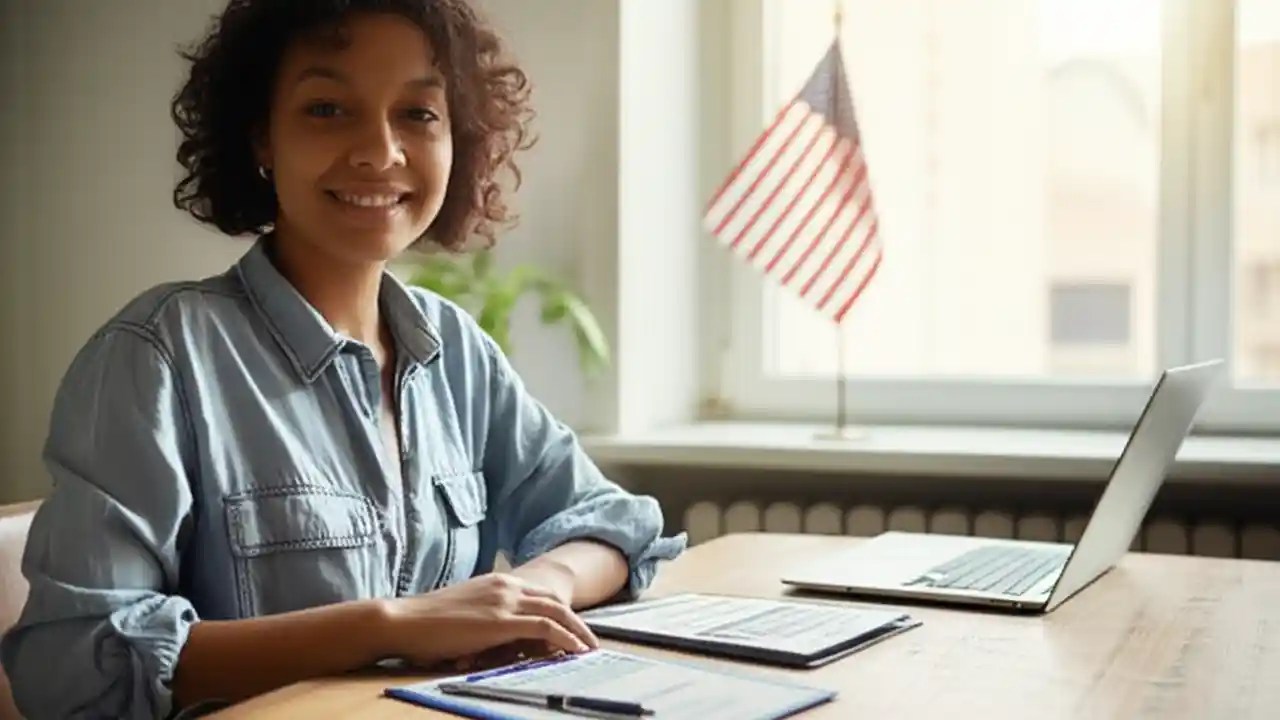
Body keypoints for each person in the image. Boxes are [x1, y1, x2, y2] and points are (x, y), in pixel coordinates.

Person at [0, 1, 686, 717]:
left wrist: (530, 594)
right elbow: (73, 667)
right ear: (261, 136)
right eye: (328, 109)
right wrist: (388, 626)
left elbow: (611, 523)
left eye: (418, 114)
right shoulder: (158, 358)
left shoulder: (455, 352)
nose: (380, 151)